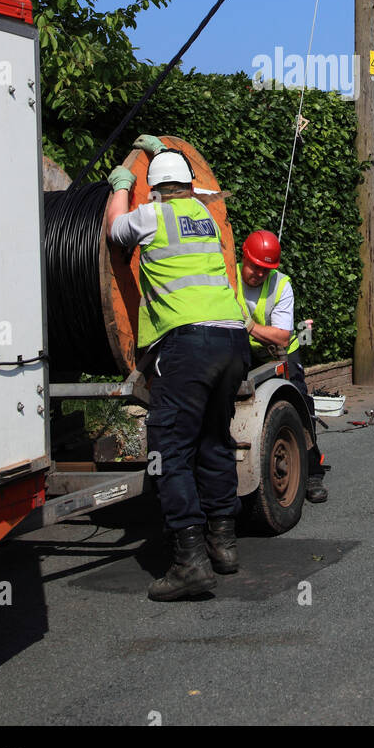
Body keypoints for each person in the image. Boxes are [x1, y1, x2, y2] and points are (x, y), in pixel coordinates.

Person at [106, 136, 253, 601]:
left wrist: (120, 184)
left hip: (187, 346)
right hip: (232, 342)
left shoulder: (151, 214)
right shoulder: (205, 219)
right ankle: (223, 546)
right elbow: (193, 187)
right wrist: (170, 153)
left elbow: (114, 231)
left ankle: (189, 563)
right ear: (187, 185)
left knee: (172, 449)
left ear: (152, 189)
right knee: (214, 439)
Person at [236, 229, 328, 504]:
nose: (259, 275)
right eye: (255, 267)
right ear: (244, 257)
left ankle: (312, 471)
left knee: (298, 405)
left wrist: (249, 326)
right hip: (244, 351)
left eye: (266, 270)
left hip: (280, 352)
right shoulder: (228, 276)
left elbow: (282, 336)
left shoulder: (281, 285)